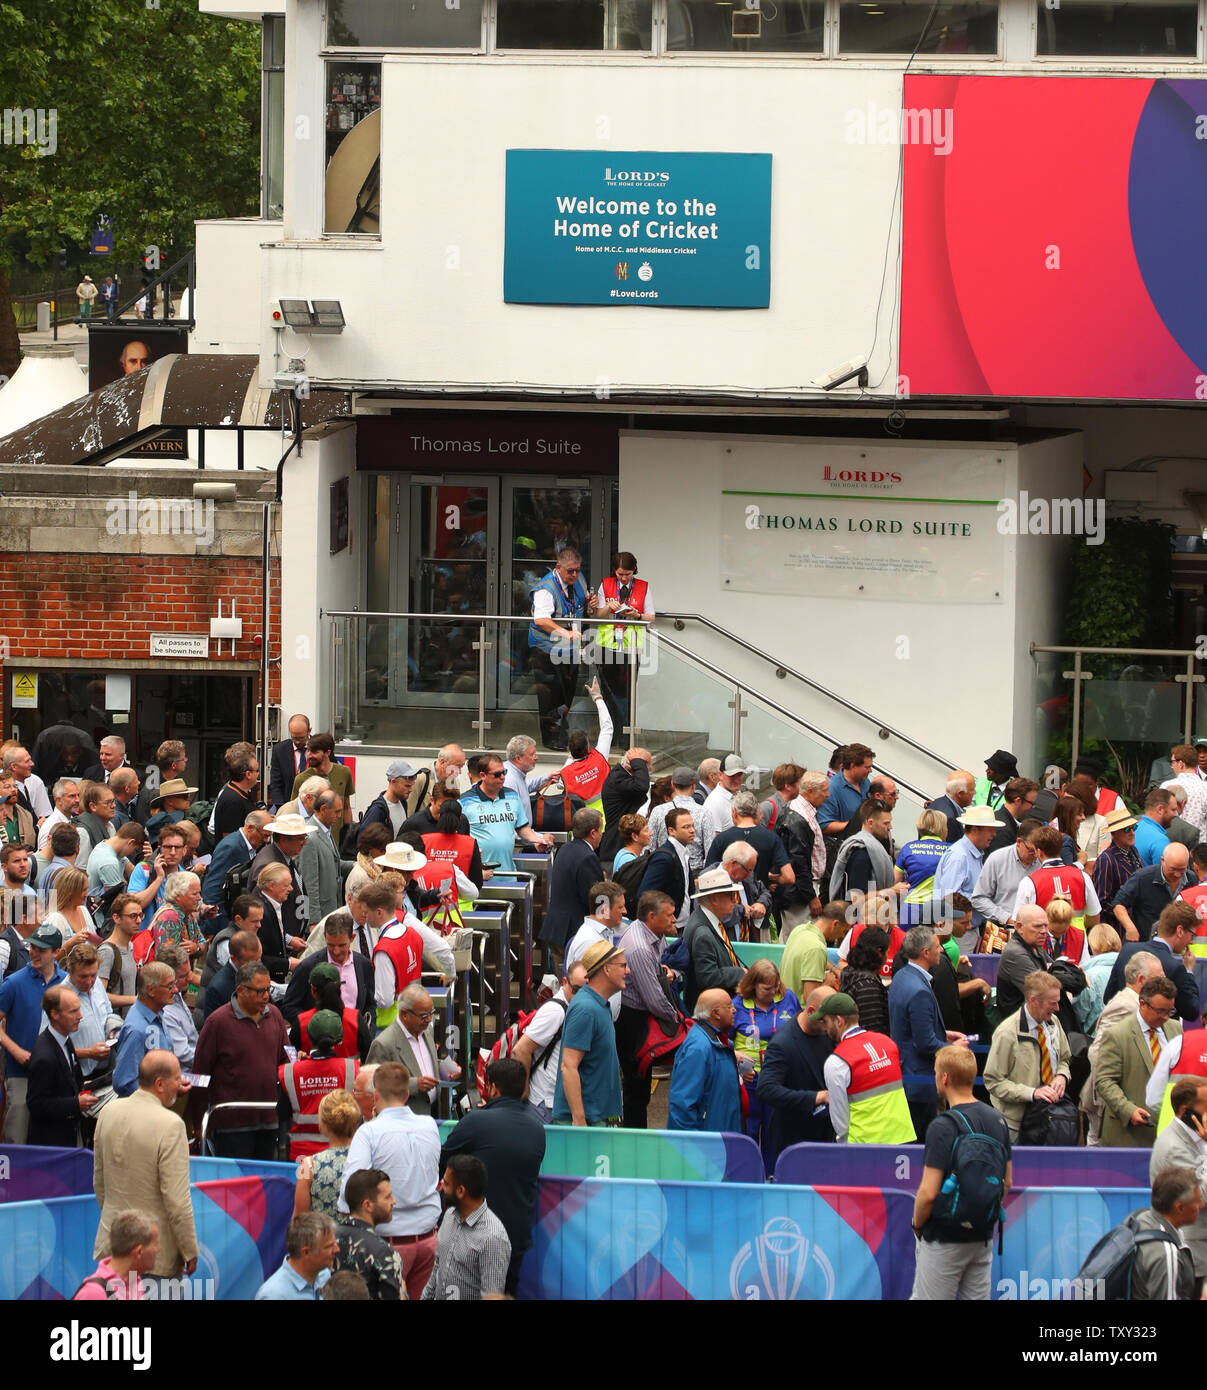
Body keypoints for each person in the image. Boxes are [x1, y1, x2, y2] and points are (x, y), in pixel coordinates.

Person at [910, 1045, 1012, 1300]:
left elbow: (928, 1192)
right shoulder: (998, 1120)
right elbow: (1007, 1182)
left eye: (936, 1073)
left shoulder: (942, 1126)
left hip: (943, 1236)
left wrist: (917, 1225)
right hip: (982, 1235)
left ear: (944, 1078)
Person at [92, 1051, 199, 1290]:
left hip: (112, 1246)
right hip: (153, 1259)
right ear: (160, 1084)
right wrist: (189, 1248)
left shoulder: (107, 1112)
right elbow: (177, 1200)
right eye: (177, 1079)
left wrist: (119, 1229)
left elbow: (99, 1183)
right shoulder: (171, 1125)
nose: (180, 1085)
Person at [441, 1057, 546, 1295]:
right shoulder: (537, 1129)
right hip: (516, 1236)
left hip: (473, 1234)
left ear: (493, 1088)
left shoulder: (475, 1121)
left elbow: (442, 1162)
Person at [339, 1061, 442, 1300]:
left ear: (375, 1094)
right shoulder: (429, 1125)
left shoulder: (369, 1132)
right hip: (428, 1239)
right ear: (407, 1094)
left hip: (388, 1244)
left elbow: (348, 1194)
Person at [191, 961, 290, 1159]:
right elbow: (200, 1075)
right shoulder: (217, 1022)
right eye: (259, 991)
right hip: (231, 1125)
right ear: (241, 990)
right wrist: (199, 1123)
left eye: (268, 989)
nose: (266, 996)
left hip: (269, 1120)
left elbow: (286, 1060)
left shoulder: (275, 1016)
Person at [889, 925, 967, 1139]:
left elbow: (911, 1028)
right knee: (923, 1143)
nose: (941, 950)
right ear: (925, 953)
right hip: (919, 1083)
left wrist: (943, 1033)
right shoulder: (919, 991)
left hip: (907, 1075)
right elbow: (925, 1044)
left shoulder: (902, 977)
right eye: (937, 946)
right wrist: (952, 1048)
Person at [1083, 951, 1163, 1145]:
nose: (1164, 982)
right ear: (1142, 979)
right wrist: (1119, 1100)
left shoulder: (1142, 1006)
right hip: (1109, 1107)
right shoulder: (1126, 1006)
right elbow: (1098, 1055)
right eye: (1159, 978)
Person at [984, 969, 1072, 1142]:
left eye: (1058, 1002)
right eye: (1052, 1004)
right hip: (1016, 1128)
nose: (1057, 1008)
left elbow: (1065, 1059)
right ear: (1033, 1001)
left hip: (1049, 1121)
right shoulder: (1007, 1033)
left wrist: (1062, 1075)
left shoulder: (1053, 1022)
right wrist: (1032, 1093)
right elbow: (993, 1082)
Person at [1095, 976, 1182, 1149]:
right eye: (1160, 1011)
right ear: (1142, 1003)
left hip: (1169, 1135)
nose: (1166, 1017)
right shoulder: (1117, 1034)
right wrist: (1128, 1110)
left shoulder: (1176, 1029)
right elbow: (1104, 1081)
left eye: (1170, 1011)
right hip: (1129, 1136)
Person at [818, 993, 915, 1144]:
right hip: (903, 1138)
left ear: (838, 1021)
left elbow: (840, 1121)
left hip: (865, 1147)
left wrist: (843, 1146)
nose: (824, 1028)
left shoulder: (836, 1062)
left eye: (825, 1021)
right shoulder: (888, 1044)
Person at [527, 546, 596, 750]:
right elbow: (540, 620)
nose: (575, 574)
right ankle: (552, 740)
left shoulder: (579, 579)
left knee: (567, 694)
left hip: (569, 649)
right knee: (551, 696)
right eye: (570, 571)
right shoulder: (545, 589)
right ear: (559, 567)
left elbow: (582, 606)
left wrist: (590, 603)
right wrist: (565, 633)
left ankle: (562, 736)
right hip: (546, 649)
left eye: (577, 569)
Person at [757, 986, 839, 1156]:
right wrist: (815, 1097)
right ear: (811, 1011)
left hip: (825, 1135)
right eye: (824, 1021)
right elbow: (766, 1089)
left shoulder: (827, 1032)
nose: (828, 1027)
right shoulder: (782, 1043)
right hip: (794, 1140)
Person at [553, 939, 626, 1126]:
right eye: (622, 966)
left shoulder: (599, 1004)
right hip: (587, 1123)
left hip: (598, 1118)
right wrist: (579, 1121)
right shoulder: (585, 1009)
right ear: (606, 969)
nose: (628, 971)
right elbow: (568, 1067)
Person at [732, 959, 799, 1160]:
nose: (773, 992)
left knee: (774, 1135)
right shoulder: (737, 1005)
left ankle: (772, 1178)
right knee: (749, 1135)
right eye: (767, 988)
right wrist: (736, 1058)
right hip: (750, 1081)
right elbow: (722, 1041)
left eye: (776, 986)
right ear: (753, 985)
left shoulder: (788, 999)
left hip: (779, 1080)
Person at [422, 1154, 512, 1301]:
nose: (441, 1187)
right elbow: (437, 1270)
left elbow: (491, 1296)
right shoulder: (450, 1215)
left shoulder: (493, 1238)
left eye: (446, 1183)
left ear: (461, 1191)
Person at [1148, 1077, 1207, 1285]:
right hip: (1195, 1257)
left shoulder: (1198, 1138)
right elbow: (1202, 1196)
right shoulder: (1173, 1148)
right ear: (1185, 1111)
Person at [1112, 1168, 1203, 1300]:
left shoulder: (1140, 1218)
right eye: (1198, 1200)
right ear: (1180, 1208)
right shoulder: (1166, 1253)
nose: (1201, 1205)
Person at [279, 1009, 359, 1159]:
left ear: (309, 1037)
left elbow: (282, 1113)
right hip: (341, 1154)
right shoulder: (352, 1069)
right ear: (339, 1040)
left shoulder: (289, 1071)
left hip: (301, 1156)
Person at [513, 962, 586, 1123]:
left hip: (553, 1102)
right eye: (576, 990)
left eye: (585, 991)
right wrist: (524, 1092)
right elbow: (521, 1050)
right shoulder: (555, 1011)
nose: (580, 996)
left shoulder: (575, 1008)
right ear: (565, 982)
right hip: (544, 1105)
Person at [1104, 899, 1201, 1021]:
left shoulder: (1127, 950)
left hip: (1119, 1029)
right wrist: (1188, 972)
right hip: (1153, 1036)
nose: (1191, 941)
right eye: (1192, 935)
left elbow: (1108, 998)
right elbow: (1191, 1012)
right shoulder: (1176, 968)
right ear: (1180, 931)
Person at [366, 983, 456, 1112]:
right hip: (404, 1123)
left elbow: (426, 1064)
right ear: (404, 1014)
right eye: (424, 1015)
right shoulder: (383, 1044)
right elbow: (373, 1084)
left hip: (433, 1113)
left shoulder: (426, 1031)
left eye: (432, 1013)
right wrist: (414, 1085)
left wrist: (447, 1069)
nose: (429, 1019)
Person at [461, 753, 550, 876]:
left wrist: (537, 840)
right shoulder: (464, 802)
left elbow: (521, 827)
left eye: (504, 772)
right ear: (483, 775)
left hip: (508, 873)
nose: (503, 777)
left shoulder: (512, 796)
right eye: (497, 774)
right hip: (479, 877)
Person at [26, 984, 93, 1147]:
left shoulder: (64, 1039)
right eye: (73, 1012)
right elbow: (36, 1104)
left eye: (79, 1009)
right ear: (54, 1014)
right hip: (51, 1145)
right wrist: (75, 1104)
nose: (80, 1016)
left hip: (67, 1135)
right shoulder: (44, 1056)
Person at [667, 988, 743, 1132]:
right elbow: (682, 1107)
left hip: (722, 1141)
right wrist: (696, 1149)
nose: (734, 1010)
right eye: (729, 1006)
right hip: (707, 1146)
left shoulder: (720, 1043)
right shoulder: (698, 1049)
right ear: (716, 1013)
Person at [282, 910, 374, 1026]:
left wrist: (366, 1034)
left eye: (341, 945)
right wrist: (316, 1026)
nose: (336, 951)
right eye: (331, 945)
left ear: (352, 938)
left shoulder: (363, 965)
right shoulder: (307, 967)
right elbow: (289, 1007)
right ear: (325, 937)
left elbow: (370, 1005)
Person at [931, 805, 999, 950]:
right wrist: (983, 898)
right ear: (974, 829)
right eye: (990, 829)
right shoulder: (959, 856)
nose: (994, 834)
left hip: (964, 931)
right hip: (958, 934)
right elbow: (949, 897)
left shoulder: (970, 854)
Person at [540, 807, 605, 958]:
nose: (602, 834)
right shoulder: (588, 857)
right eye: (601, 830)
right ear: (593, 833)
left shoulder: (564, 849)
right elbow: (595, 901)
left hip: (556, 929)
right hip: (573, 934)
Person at [334, 1167, 406, 1300]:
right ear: (367, 1205)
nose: (393, 1201)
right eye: (388, 1197)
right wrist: (404, 1294)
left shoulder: (327, 1240)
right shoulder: (385, 1253)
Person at [292, 1088, 363, 1219]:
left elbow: (299, 1221)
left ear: (323, 1124)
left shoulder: (309, 1165)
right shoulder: (368, 1158)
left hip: (323, 1237)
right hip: (361, 1238)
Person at [681, 866, 744, 1013]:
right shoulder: (703, 932)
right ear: (714, 899)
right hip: (708, 1014)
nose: (734, 900)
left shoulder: (705, 921)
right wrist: (740, 973)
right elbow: (708, 977)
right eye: (730, 896)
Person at [971, 820, 1042, 944]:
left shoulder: (1042, 862)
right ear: (1019, 842)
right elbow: (978, 898)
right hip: (1000, 933)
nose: (1035, 855)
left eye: (1038, 851)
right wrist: (1007, 918)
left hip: (1034, 935)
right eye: (1031, 850)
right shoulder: (997, 859)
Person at [202, 810, 272, 933]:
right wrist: (218, 927)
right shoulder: (230, 847)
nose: (267, 840)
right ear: (250, 828)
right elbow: (213, 888)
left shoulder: (253, 846)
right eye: (264, 835)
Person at [74, 1211, 159, 1302]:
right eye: (155, 1244)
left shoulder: (134, 1280)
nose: (158, 1249)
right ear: (139, 1252)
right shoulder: (93, 1293)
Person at [255, 1212, 337, 1300]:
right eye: (328, 1246)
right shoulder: (274, 1295)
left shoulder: (323, 1275)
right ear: (306, 1252)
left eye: (335, 1243)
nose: (337, 1249)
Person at [894, 809, 952, 928]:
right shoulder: (951, 851)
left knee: (905, 944)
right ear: (942, 828)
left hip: (909, 909)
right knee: (933, 945)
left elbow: (895, 881)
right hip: (936, 910)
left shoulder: (908, 848)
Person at [995, 904, 1054, 1018]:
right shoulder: (1015, 953)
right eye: (1037, 926)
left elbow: (1055, 969)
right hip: (1020, 1027)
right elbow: (1045, 991)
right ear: (1019, 927)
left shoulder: (1034, 945)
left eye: (1045, 926)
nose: (1044, 931)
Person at [780, 900, 845, 1004]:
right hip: (800, 1012)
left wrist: (834, 969)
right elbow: (810, 999)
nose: (842, 936)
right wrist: (828, 983)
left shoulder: (800, 930)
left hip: (784, 1005)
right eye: (844, 931)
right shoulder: (816, 948)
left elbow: (809, 956)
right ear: (836, 924)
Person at [640, 806, 696, 924]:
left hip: (684, 924)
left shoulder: (683, 852)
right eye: (686, 827)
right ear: (671, 831)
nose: (692, 830)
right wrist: (667, 920)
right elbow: (646, 895)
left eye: (692, 826)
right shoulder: (664, 858)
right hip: (669, 928)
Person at [599, 748, 652, 864]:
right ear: (633, 765)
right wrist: (639, 762)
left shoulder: (626, 778)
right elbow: (642, 787)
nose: (649, 769)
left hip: (624, 847)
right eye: (646, 765)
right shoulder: (618, 778)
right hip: (614, 850)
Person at [290, 734, 354, 825]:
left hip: (337, 837)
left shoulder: (344, 772)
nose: (309, 755)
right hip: (311, 836)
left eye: (314, 752)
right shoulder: (301, 779)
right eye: (308, 751)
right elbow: (294, 810)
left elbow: (347, 807)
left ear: (327, 752)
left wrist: (349, 833)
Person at [839, 925, 892, 1034]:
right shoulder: (867, 987)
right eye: (886, 952)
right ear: (879, 952)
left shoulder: (850, 970)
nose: (887, 957)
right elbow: (874, 1030)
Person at [1074, 922, 1123, 1035]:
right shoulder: (1130, 969)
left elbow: (1080, 1015)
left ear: (1093, 945)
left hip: (1098, 1039)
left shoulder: (1089, 976)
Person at [157, 944, 199, 1073]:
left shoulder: (177, 994)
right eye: (183, 976)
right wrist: (209, 1059)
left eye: (189, 972)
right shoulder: (165, 1010)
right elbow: (183, 1054)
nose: (190, 978)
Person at [210, 742, 264, 843]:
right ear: (248, 774)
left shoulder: (243, 793)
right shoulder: (232, 801)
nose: (258, 774)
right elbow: (230, 841)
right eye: (257, 770)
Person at [699, 754, 750, 858]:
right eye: (732, 775)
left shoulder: (738, 794)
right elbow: (713, 845)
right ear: (720, 775)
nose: (736, 779)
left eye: (739, 775)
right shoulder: (714, 802)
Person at [818, 744, 874, 836]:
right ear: (853, 766)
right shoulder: (832, 788)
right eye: (867, 767)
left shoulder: (865, 782)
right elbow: (824, 826)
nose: (870, 770)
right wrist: (855, 825)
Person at [986, 778, 1041, 855]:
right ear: (1018, 801)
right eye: (1031, 803)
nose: (1032, 807)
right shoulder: (1002, 830)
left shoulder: (1008, 821)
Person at [270, 713, 313, 811]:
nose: (297, 742)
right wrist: (282, 808)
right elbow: (275, 784)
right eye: (294, 738)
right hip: (288, 805)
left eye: (301, 738)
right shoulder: (280, 750)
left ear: (309, 731)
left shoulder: (320, 747)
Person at [926, 771, 975, 846]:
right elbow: (949, 852)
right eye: (972, 790)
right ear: (960, 794)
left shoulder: (937, 802)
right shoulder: (949, 819)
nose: (975, 792)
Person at [1135, 788, 1176, 867]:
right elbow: (1164, 876)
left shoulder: (1133, 829)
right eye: (1173, 810)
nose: (1175, 814)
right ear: (1160, 809)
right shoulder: (1159, 840)